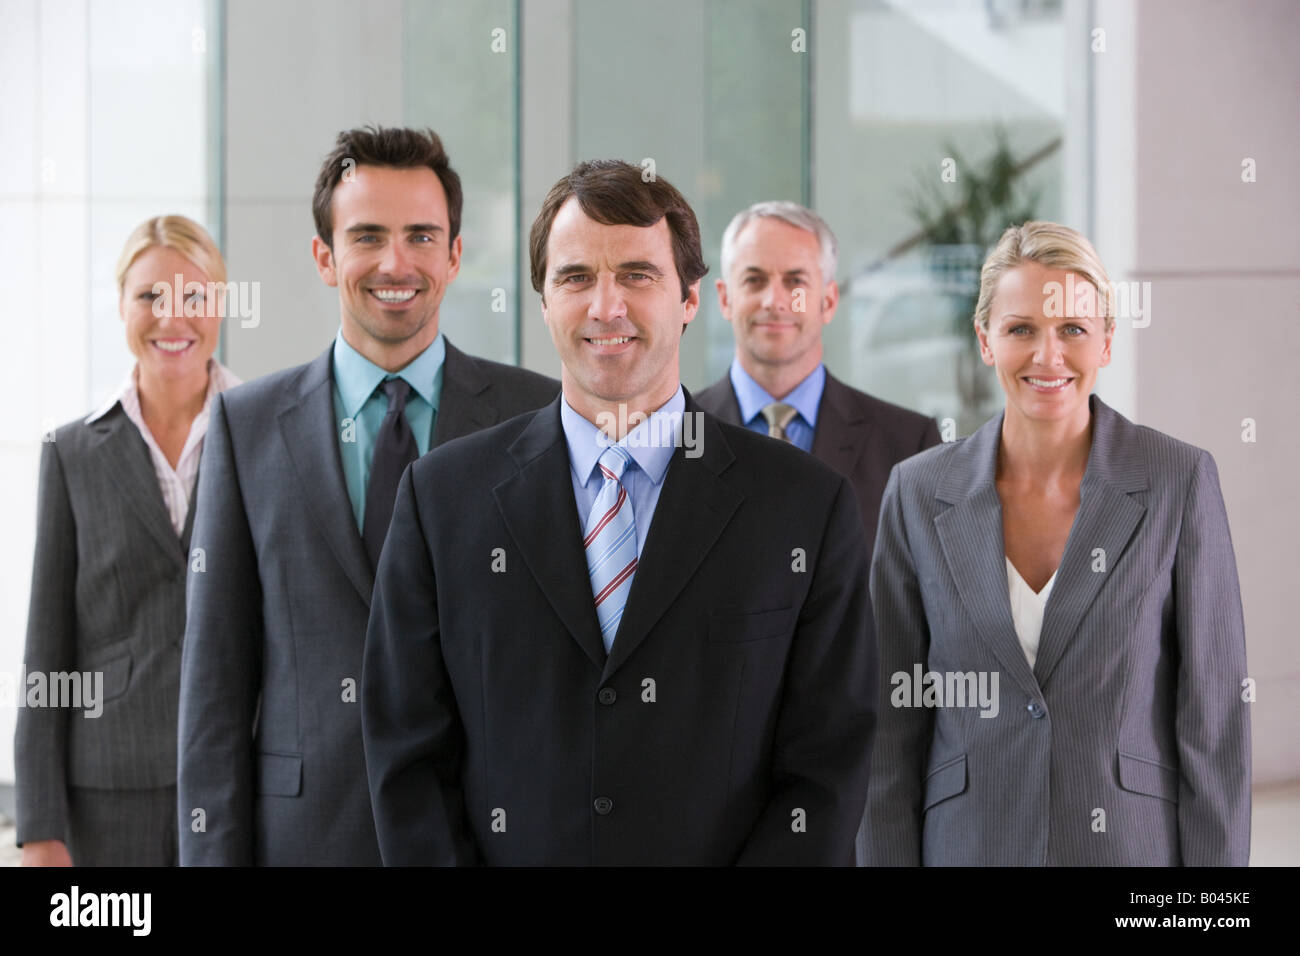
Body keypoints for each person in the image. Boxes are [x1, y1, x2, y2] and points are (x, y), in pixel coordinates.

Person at [361, 160, 877, 866]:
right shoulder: (441, 499)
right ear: (543, 300)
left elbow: (828, 766)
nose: (607, 306)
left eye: (637, 274)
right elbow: (407, 755)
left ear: (691, 298)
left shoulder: (804, 509)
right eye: (576, 278)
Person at [177, 126, 558, 865]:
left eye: (422, 236)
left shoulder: (535, 418)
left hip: (488, 836)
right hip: (306, 838)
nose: (396, 262)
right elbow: (214, 687)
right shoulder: (245, 427)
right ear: (325, 257)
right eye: (367, 236)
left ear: (454, 254)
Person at [861, 221, 1250, 866]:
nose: (1048, 356)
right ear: (986, 339)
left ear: (1105, 342)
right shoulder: (918, 491)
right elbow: (889, 729)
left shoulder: (1177, 481)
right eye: (1021, 329)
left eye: (1072, 328)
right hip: (968, 848)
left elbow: (1213, 725)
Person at [15, 215, 241, 866]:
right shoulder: (74, 453)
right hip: (107, 795)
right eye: (149, 297)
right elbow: (46, 650)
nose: (172, 318)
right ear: (120, 305)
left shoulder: (268, 435)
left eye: (194, 297)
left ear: (220, 306)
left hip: (239, 781)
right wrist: (39, 828)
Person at [695, 201, 940, 550]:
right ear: (724, 298)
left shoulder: (909, 447)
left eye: (795, 281)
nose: (773, 301)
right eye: (754, 279)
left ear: (827, 301)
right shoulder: (674, 436)